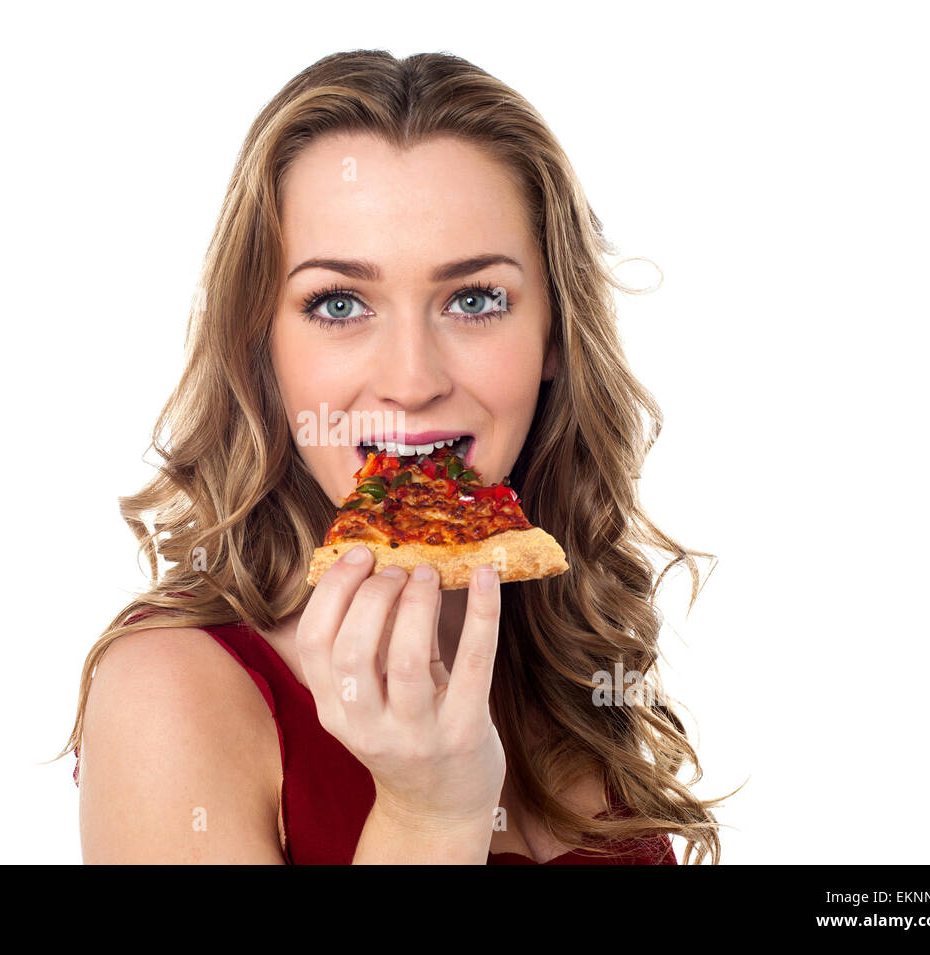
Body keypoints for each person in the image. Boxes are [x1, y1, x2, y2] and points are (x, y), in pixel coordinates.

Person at [59, 49, 732, 864]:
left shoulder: (566, 652)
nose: (412, 381)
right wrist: (428, 817)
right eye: (339, 303)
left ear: (555, 334)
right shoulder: (169, 693)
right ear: (260, 343)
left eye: (475, 299)